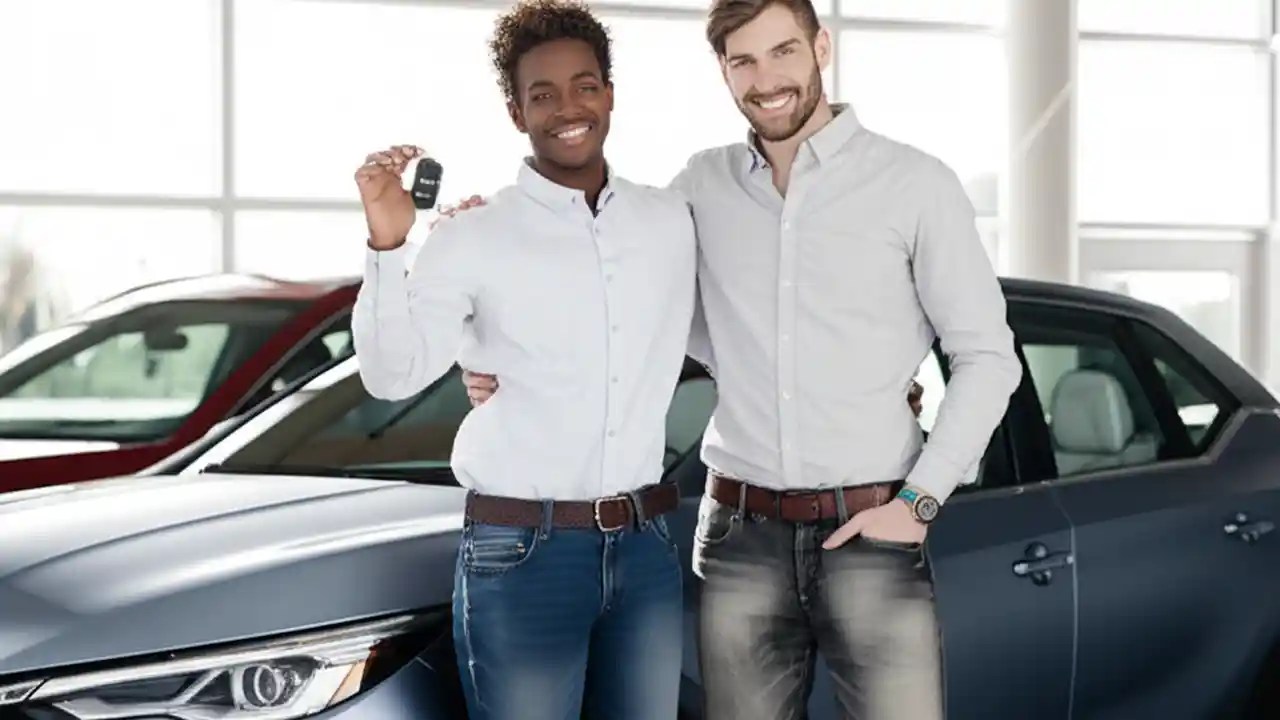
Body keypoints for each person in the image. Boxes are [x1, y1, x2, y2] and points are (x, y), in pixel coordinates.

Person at [461, 0, 1023, 717]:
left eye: (783, 51)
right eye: (744, 61)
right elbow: (603, 274)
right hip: (738, 539)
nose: (767, 79)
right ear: (722, 71)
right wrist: (481, 285)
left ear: (821, 47)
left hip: (873, 528)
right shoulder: (699, 187)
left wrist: (919, 502)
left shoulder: (915, 184)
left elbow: (987, 356)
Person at [348, 2, 695, 718]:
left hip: (647, 549)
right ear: (516, 111)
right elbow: (393, 376)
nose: (568, 107)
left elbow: (733, 335)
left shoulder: (669, 223)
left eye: (585, 85)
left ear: (610, 95)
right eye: (543, 93)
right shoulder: (473, 235)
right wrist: (389, 246)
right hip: (521, 554)